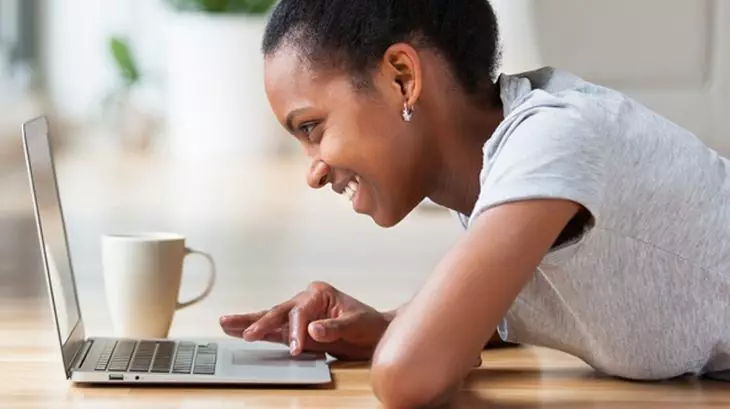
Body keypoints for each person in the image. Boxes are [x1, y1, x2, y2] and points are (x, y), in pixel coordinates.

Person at [219, 0, 730, 407]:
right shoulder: (498, 168)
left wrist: (409, 342)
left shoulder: (551, 138)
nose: (313, 170)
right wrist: (388, 324)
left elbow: (406, 377)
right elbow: (511, 311)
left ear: (401, 77)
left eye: (312, 127)